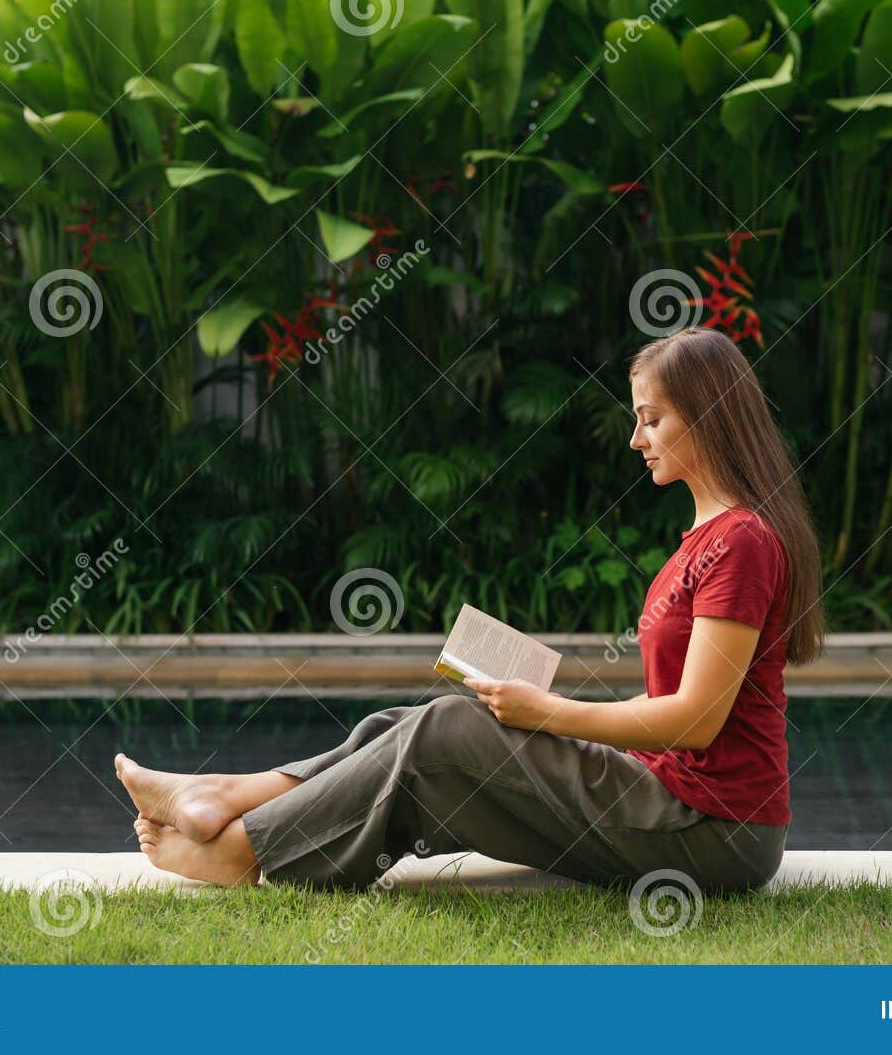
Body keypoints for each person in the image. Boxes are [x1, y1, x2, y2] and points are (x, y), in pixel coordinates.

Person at [116, 326, 825, 892]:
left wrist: (545, 715)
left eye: (651, 419)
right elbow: (677, 703)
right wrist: (540, 713)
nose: (635, 439)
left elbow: (698, 718)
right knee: (412, 725)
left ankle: (243, 851)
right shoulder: (708, 538)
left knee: (449, 730)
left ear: (703, 416)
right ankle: (229, 794)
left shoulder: (742, 541)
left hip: (715, 829)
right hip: (673, 797)